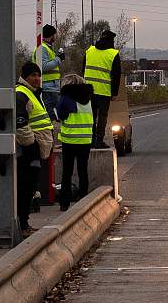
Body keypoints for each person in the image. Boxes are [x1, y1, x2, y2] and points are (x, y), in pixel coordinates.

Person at [15, 62, 53, 236]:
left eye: (38, 75)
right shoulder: (22, 93)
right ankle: (22, 226)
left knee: (30, 188)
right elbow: (20, 124)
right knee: (25, 189)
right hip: (28, 151)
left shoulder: (33, 93)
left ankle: (25, 224)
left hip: (35, 149)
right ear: (25, 77)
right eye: (33, 75)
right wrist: (31, 145)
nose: (37, 79)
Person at [55, 74, 94, 210]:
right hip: (85, 139)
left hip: (69, 140)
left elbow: (60, 115)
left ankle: (64, 203)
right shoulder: (88, 98)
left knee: (67, 172)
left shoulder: (66, 98)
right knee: (83, 171)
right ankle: (83, 200)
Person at [84, 29, 121, 148]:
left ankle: (90, 141)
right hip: (104, 91)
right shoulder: (113, 54)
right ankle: (99, 141)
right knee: (102, 117)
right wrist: (114, 93)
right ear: (111, 40)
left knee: (91, 116)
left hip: (88, 90)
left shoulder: (89, 50)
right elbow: (116, 75)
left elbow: (83, 69)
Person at [36, 25, 62, 120]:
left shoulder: (46, 47)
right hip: (48, 87)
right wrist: (58, 59)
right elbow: (44, 66)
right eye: (54, 34)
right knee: (50, 115)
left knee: (54, 115)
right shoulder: (43, 48)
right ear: (51, 35)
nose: (55, 37)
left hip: (51, 86)